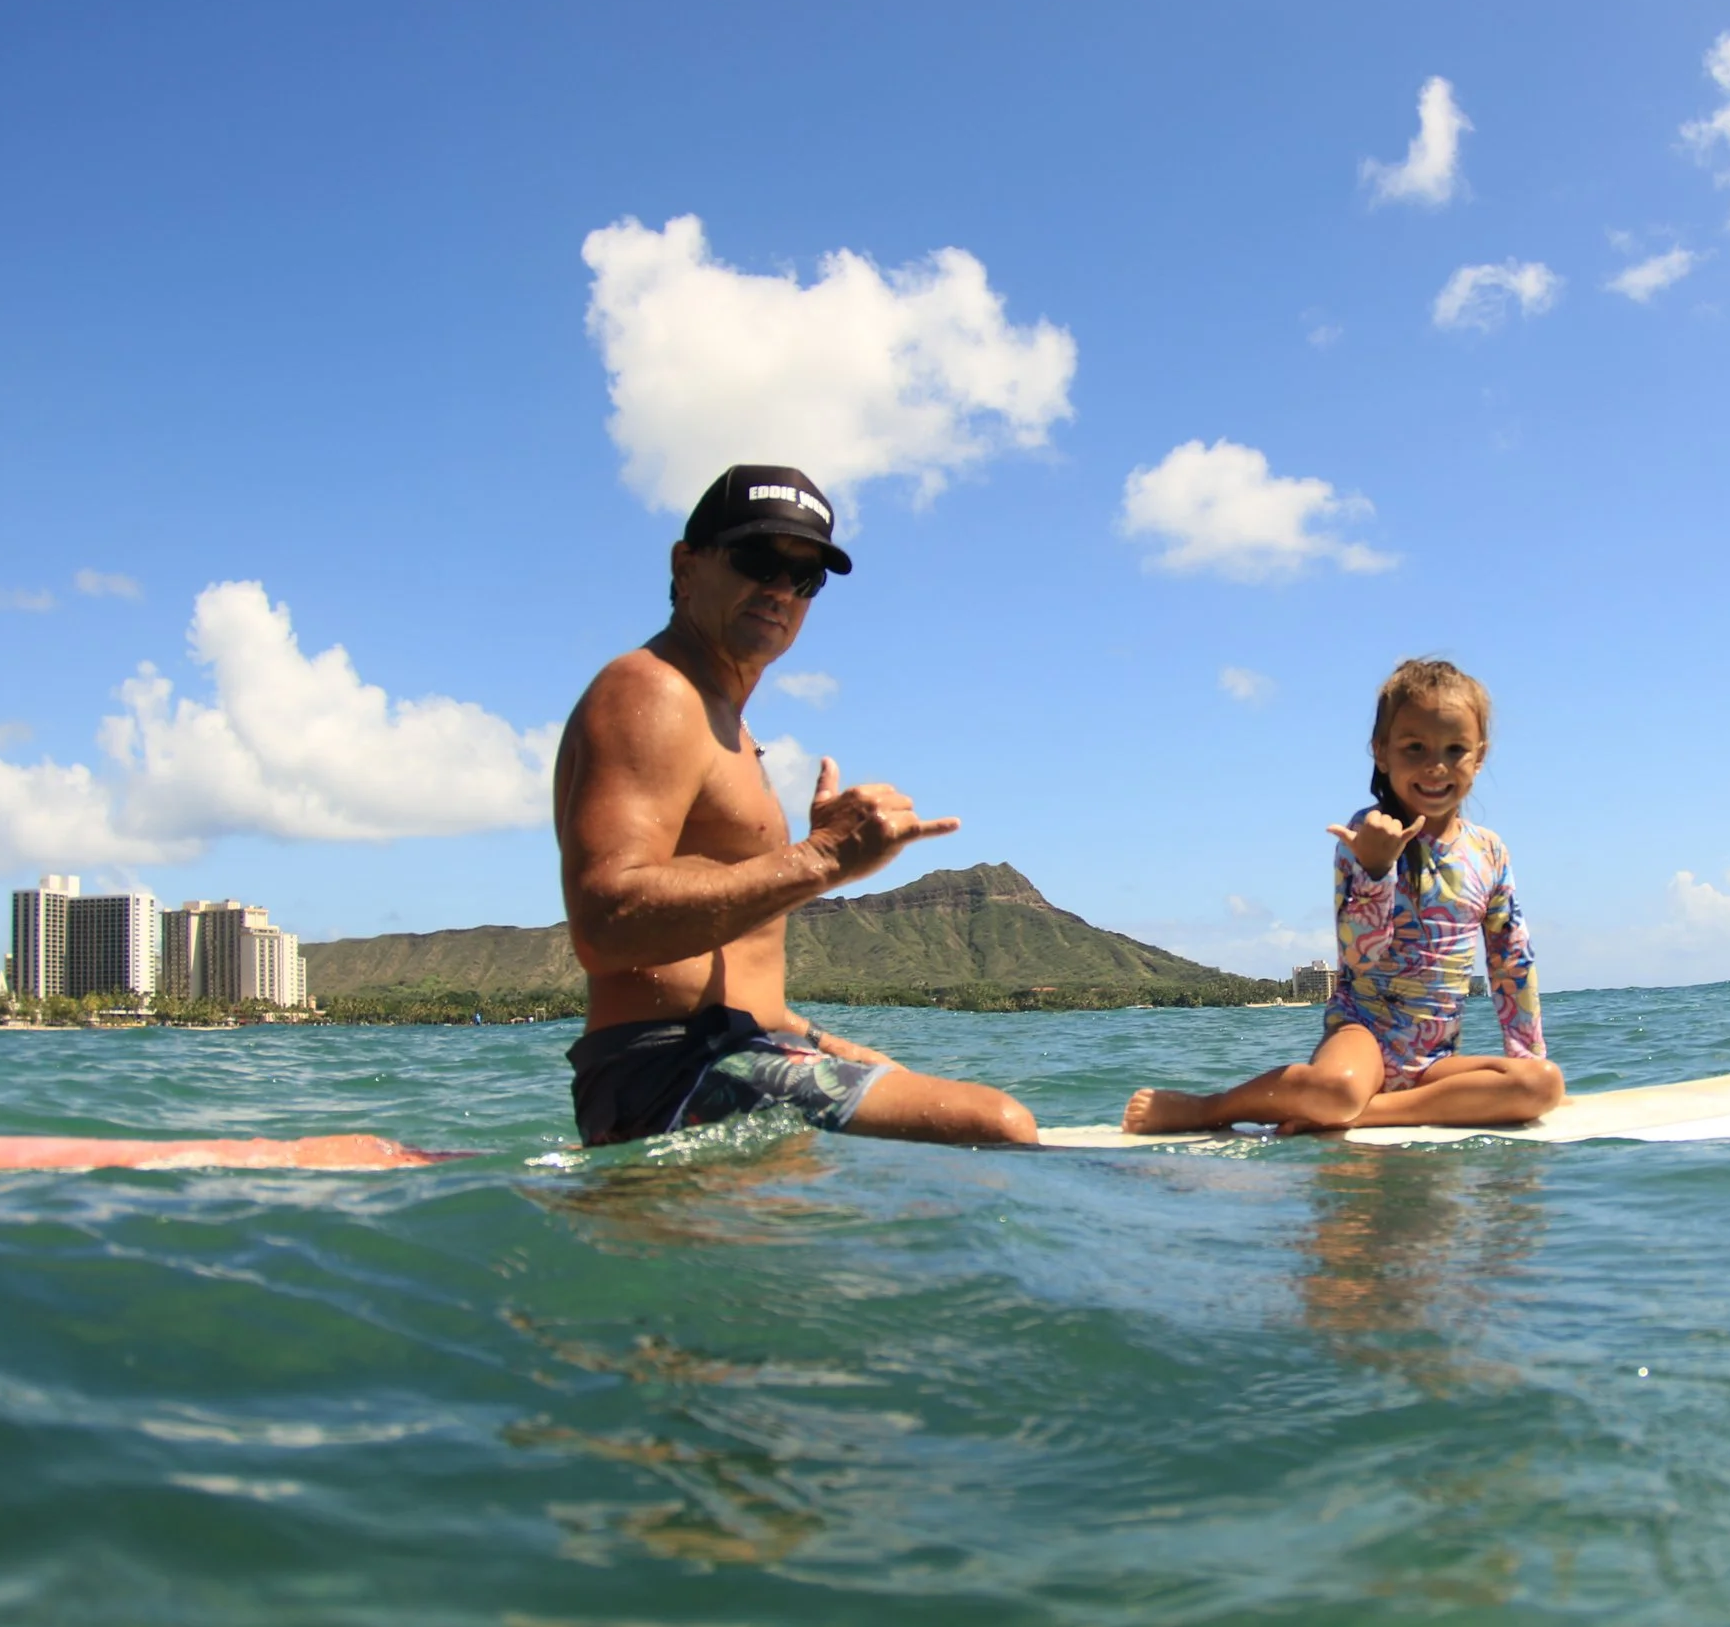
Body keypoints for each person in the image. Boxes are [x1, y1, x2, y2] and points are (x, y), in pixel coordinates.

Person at [553, 463, 1037, 1148]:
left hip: (732, 1052)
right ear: (685, 566)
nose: (780, 589)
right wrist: (823, 857)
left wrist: (837, 1046)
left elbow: (745, 990)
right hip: (670, 1070)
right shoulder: (655, 691)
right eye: (758, 560)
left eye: (804, 578)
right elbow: (606, 924)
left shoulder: (731, 729)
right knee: (997, 1126)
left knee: (930, 1103)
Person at [1123, 658, 1564, 1135]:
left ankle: (1358, 1115)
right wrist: (1376, 870)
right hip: (1362, 1038)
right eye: (1415, 747)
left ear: (1479, 757)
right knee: (1336, 1091)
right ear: (1381, 752)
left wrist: (1525, 1057)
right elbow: (1359, 955)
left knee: (1541, 1083)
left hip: (1435, 1061)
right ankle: (1209, 1109)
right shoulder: (1364, 835)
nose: (1436, 766)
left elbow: (1511, 962)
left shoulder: (1489, 851)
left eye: (1454, 749)